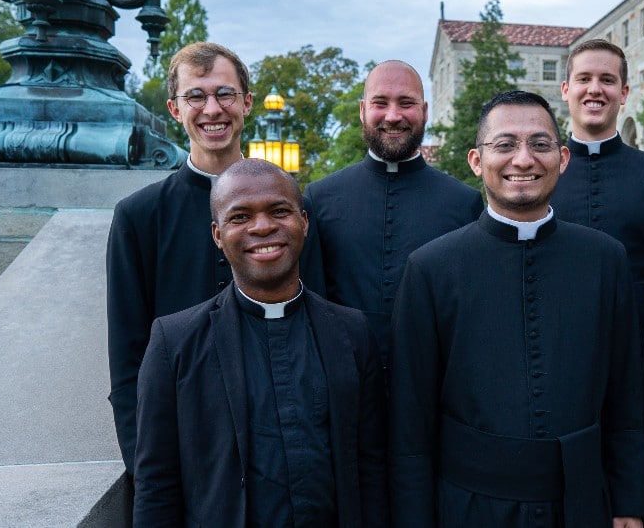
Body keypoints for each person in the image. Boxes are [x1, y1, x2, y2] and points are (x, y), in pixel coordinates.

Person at [389, 91, 644, 528]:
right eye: (505, 144)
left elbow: (626, 394)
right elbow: (410, 419)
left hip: (582, 504)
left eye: (540, 144)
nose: (523, 160)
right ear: (476, 160)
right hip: (470, 507)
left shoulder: (606, 259)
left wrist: (628, 502)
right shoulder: (430, 268)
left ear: (563, 158)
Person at [107, 41, 326, 476]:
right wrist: (145, 467)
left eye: (225, 94)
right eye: (196, 96)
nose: (213, 109)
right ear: (174, 108)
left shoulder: (291, 204)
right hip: (187, 445)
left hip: (289, 440)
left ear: (246, 103)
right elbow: (128, 360)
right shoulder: (138, 217)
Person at [134, 159, 385, 526]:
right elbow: (156, 485)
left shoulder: (352, 332)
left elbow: (372, 467)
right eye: (240, 217)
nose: (263, 226)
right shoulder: (174, 343)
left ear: (304, 222)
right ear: (218, 235)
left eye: (279, 211)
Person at [304, 60, 482, 369]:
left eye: (406, 103)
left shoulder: (465, 204)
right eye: (380, 103)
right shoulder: (319, 198)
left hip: (434, 381)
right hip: (344, 381)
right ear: (363, 110)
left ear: (425, 111)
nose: (393, 116)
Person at [552, 38, 644, 333]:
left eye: (607, 80)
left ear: (624, 92)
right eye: (583, 79)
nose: (595, 89)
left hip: (643, 345)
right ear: (566, 90)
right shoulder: (542, 174)